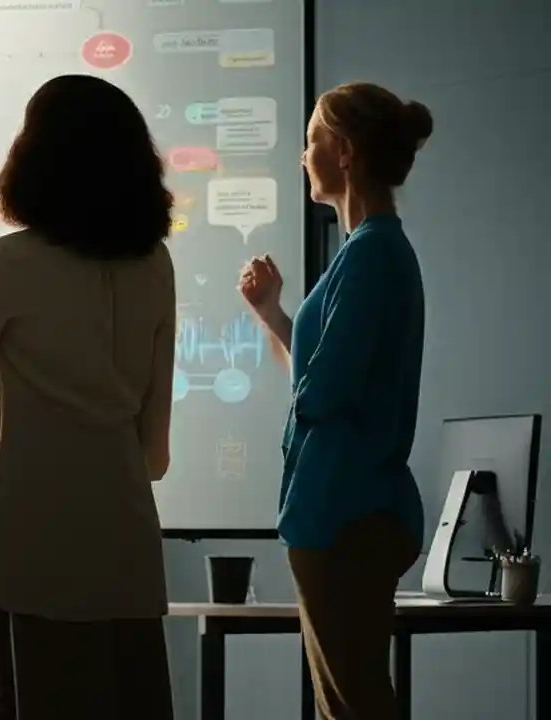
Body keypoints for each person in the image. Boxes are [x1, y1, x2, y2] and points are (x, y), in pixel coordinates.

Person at [0, 74, 177, 719]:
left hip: (23, 534)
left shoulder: (14, 260)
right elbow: (155, 441)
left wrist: (4, 367)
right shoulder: (154, 263)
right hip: (122, 531)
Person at [238, 81, 433, 720]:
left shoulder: (373, 255)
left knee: (353, 706)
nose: (302, 155)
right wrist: (273, 316)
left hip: (346, 514)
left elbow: (322, 391)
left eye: (311, 140)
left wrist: (302, 371)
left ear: (343, 152)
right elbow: (327, 378)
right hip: (342, 512)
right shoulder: (362, 253)